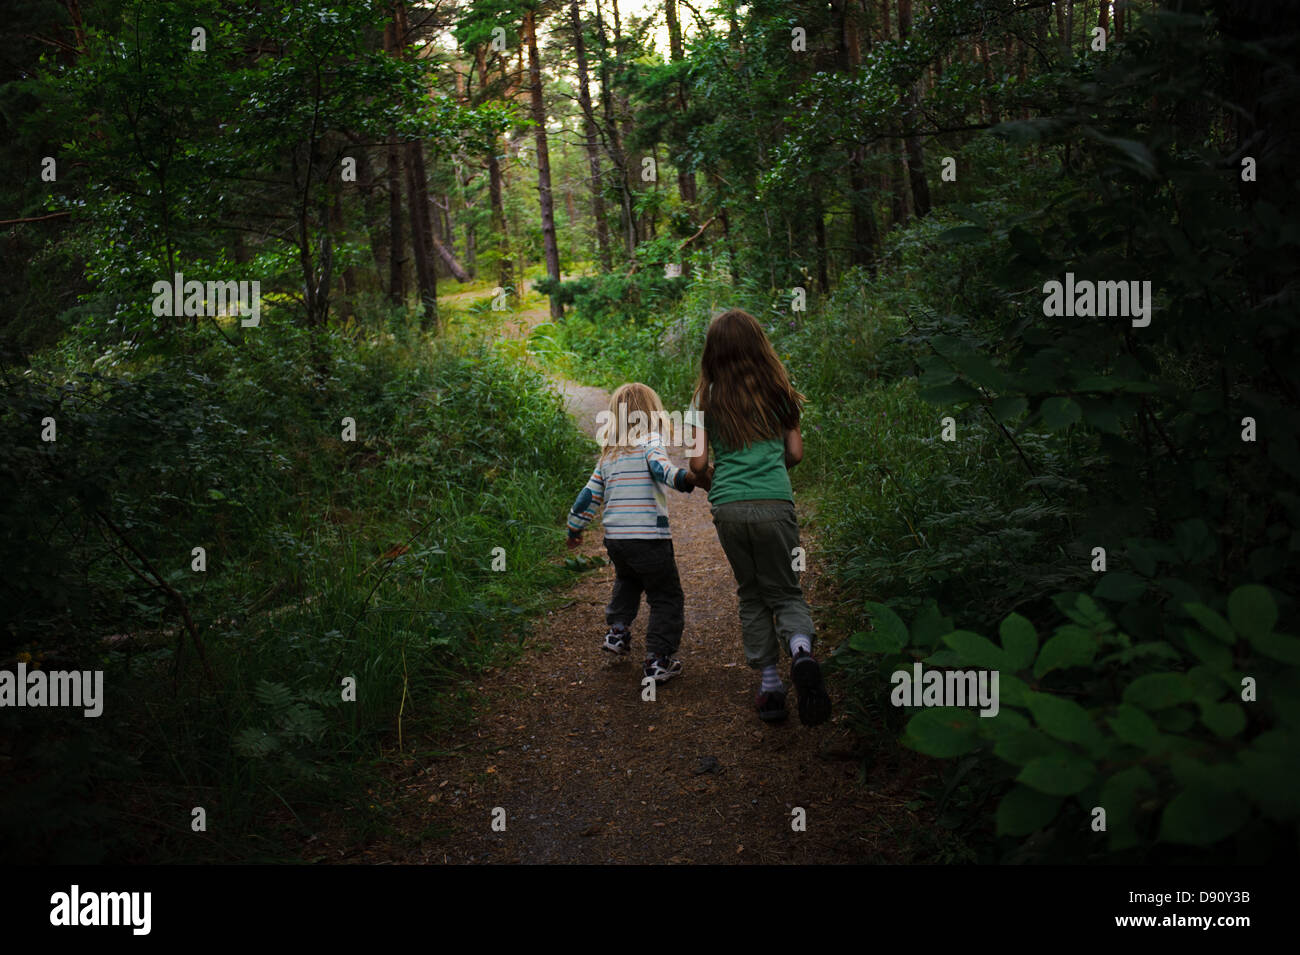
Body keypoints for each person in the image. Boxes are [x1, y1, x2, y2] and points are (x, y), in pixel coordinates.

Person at [686, 309, 832, 726]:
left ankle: (770, 689)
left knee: (751, 593)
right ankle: (801, 652)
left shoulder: (706, 397)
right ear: (759, 346)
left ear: (714, 351)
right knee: (785, 590)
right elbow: (796, 455)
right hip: (776, 505)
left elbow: (697, 463)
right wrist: (769, 469)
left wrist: (714, 476)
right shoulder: (779, 391)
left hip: (729, 508)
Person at [567, 382, 696, 684]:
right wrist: (687, 479)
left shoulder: (609, 455)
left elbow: (587, 497)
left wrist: (575, 527)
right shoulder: (651, 440)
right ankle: (657, 659)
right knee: (666, 596)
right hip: (649, 538)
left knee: (628, 580)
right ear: (652, 413)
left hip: (617, 540)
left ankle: (618, 631)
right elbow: (661, 468)